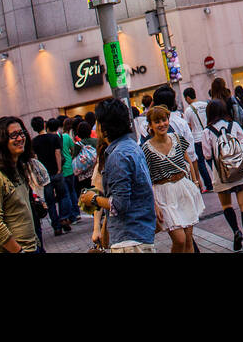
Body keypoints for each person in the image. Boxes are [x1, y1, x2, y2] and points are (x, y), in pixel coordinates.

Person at [79, 99, 158, 252]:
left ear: (104, 126)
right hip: (138, 235)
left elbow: (120, 205)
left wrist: (93, 198)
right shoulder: (131, 146)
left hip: (129, 240)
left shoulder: (118, 156)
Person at [140, 105, 202, 252]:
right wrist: (154, 205)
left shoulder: (177, 139)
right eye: (157, 122)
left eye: (164, 120)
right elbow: (147, 178)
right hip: (163, 193)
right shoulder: (146, 148)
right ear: (150, 126)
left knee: (188, 240)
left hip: (183, 188)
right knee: (179, 240)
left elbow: (188, 159)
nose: (162, 124)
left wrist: (195, 182)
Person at [0, 117, 38, 253]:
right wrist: (18, 250)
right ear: (0, 141)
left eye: (22, 134)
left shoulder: (16, 168)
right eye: (13, 135)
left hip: (30, 247)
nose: (20, 138)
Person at [201, 100, 243, 250]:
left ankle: (236, 231)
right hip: (239, 171)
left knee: (226, 205)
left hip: (221, 173)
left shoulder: (207, 131)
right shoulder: (234, 125)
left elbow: (207, 155)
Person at [29, 116, 69, 236]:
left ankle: (56, 226)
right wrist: (59, 168)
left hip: (44, 177)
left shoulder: (34, 142)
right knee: (62, 195)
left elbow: (35, 160)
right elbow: (58, 153)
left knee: (50, 201)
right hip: (56, 172)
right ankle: (64, 218)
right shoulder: (54, 137)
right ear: (44, 125)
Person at [183, 87, 212, 192]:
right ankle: (220, 180)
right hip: (208, 135)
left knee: (201, 163)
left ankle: (209, 185)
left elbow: (189, 126)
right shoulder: (206, 105)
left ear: (187, 97)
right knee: (211, 159)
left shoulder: (188, 110)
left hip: (197, 138)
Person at [58, 118, 82, 224]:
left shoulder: (58, 137)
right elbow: (73, 149)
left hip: (61, 169)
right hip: (69, 166)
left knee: (66, 193)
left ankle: (71, 216)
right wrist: (70, 157)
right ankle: (77, 213)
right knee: (72, 191)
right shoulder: (67, 137)